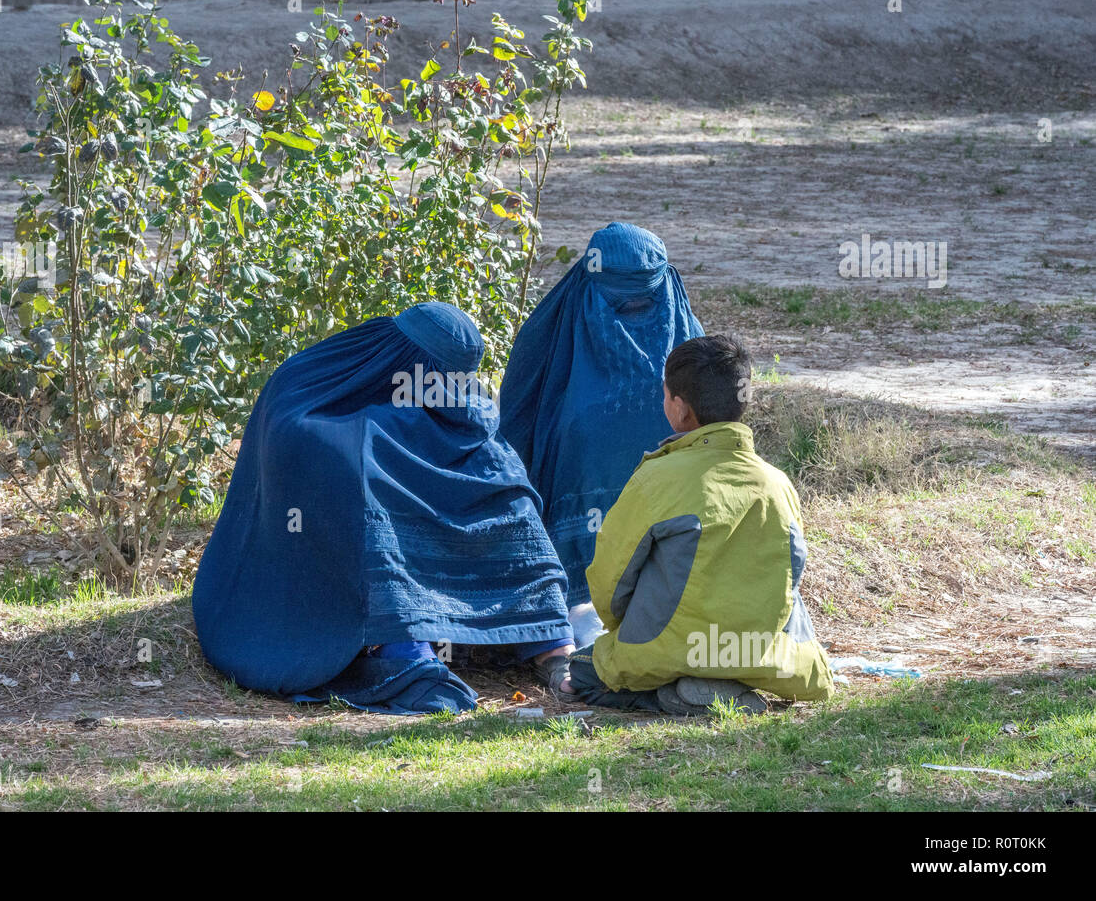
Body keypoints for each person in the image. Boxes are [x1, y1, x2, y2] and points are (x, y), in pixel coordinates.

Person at [192, 302, 575, 714]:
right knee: (366, 495)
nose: (450, 389)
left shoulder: (447, 394)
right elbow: (299, 440)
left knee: (507, 489)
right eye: (438, 378)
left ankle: (548, 639)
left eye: (459, 380)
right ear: (402, 359)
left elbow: (477, 434)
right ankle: (402, 644)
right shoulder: (307, 384)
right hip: (321, 565)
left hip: (420, 475)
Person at [560, 334, 834, 714]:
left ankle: (677, 694)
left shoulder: (656, 478)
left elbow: (612, 582)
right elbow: (792, 577)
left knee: (583, 672)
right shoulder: (778, 483)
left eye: (665, 396)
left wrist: (621, 631)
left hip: (672, 650)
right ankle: (728, 684)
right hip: (758, 655)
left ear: (680, 409)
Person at [499, 222, 704, 647]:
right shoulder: (693, 356)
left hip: (571, 594)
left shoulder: (551, 334)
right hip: (684, 589)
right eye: (620, 302)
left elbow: (511, 446)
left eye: (642, 301)